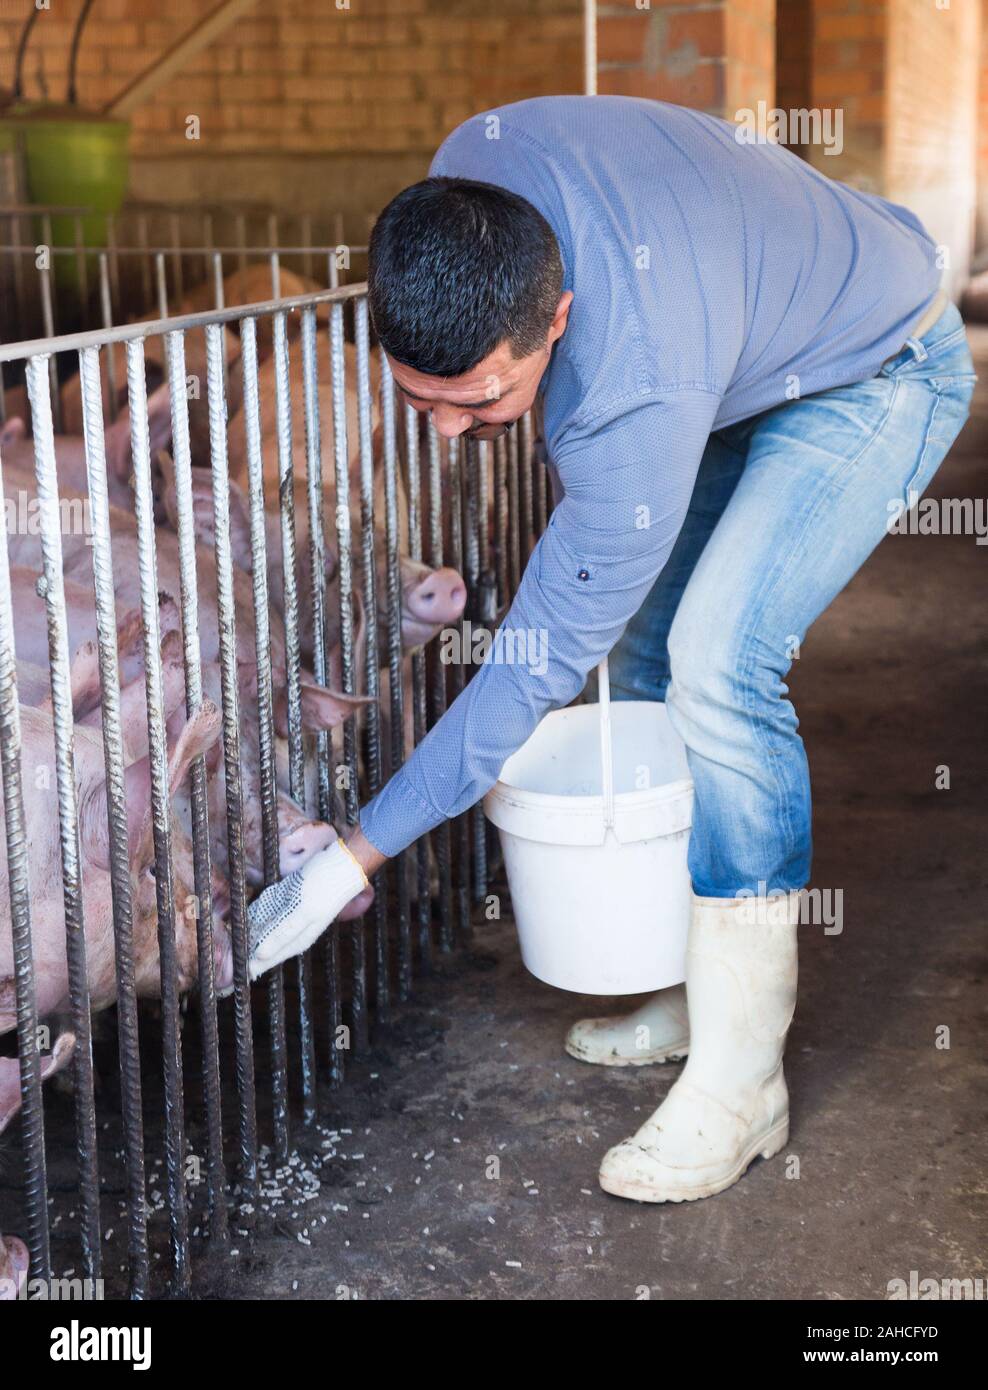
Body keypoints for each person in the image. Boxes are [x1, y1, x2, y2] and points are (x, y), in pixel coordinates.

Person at [250, 96, 975, 1204]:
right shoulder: (465, 187)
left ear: (558, 318)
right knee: (641, 664)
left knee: (718, 662)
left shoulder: (624, 395)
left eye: (481, 399)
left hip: (875, 361)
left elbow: (530, 667)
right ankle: (692, 986)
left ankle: (743, 1084)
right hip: (739, 334)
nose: (449, 432)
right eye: (418, 399)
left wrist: (364, 845)